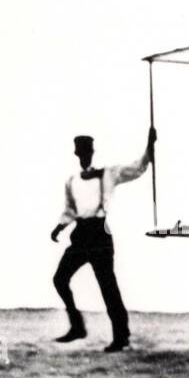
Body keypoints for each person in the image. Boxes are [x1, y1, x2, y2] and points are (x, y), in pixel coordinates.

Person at [51, 128, 156, 352]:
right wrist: (59, 227)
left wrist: (149, 146)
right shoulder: (72, 182)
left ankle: (121, 337)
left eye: (86, 153)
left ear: (92, 153)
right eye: (81, 154)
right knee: (60, 279)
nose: (84, 157)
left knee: (108, 287)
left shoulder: (108, 174)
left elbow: (138, 168)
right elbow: (70, 210)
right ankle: (77, 327)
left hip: (100, 234)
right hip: (80, 236)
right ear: (77, 155)